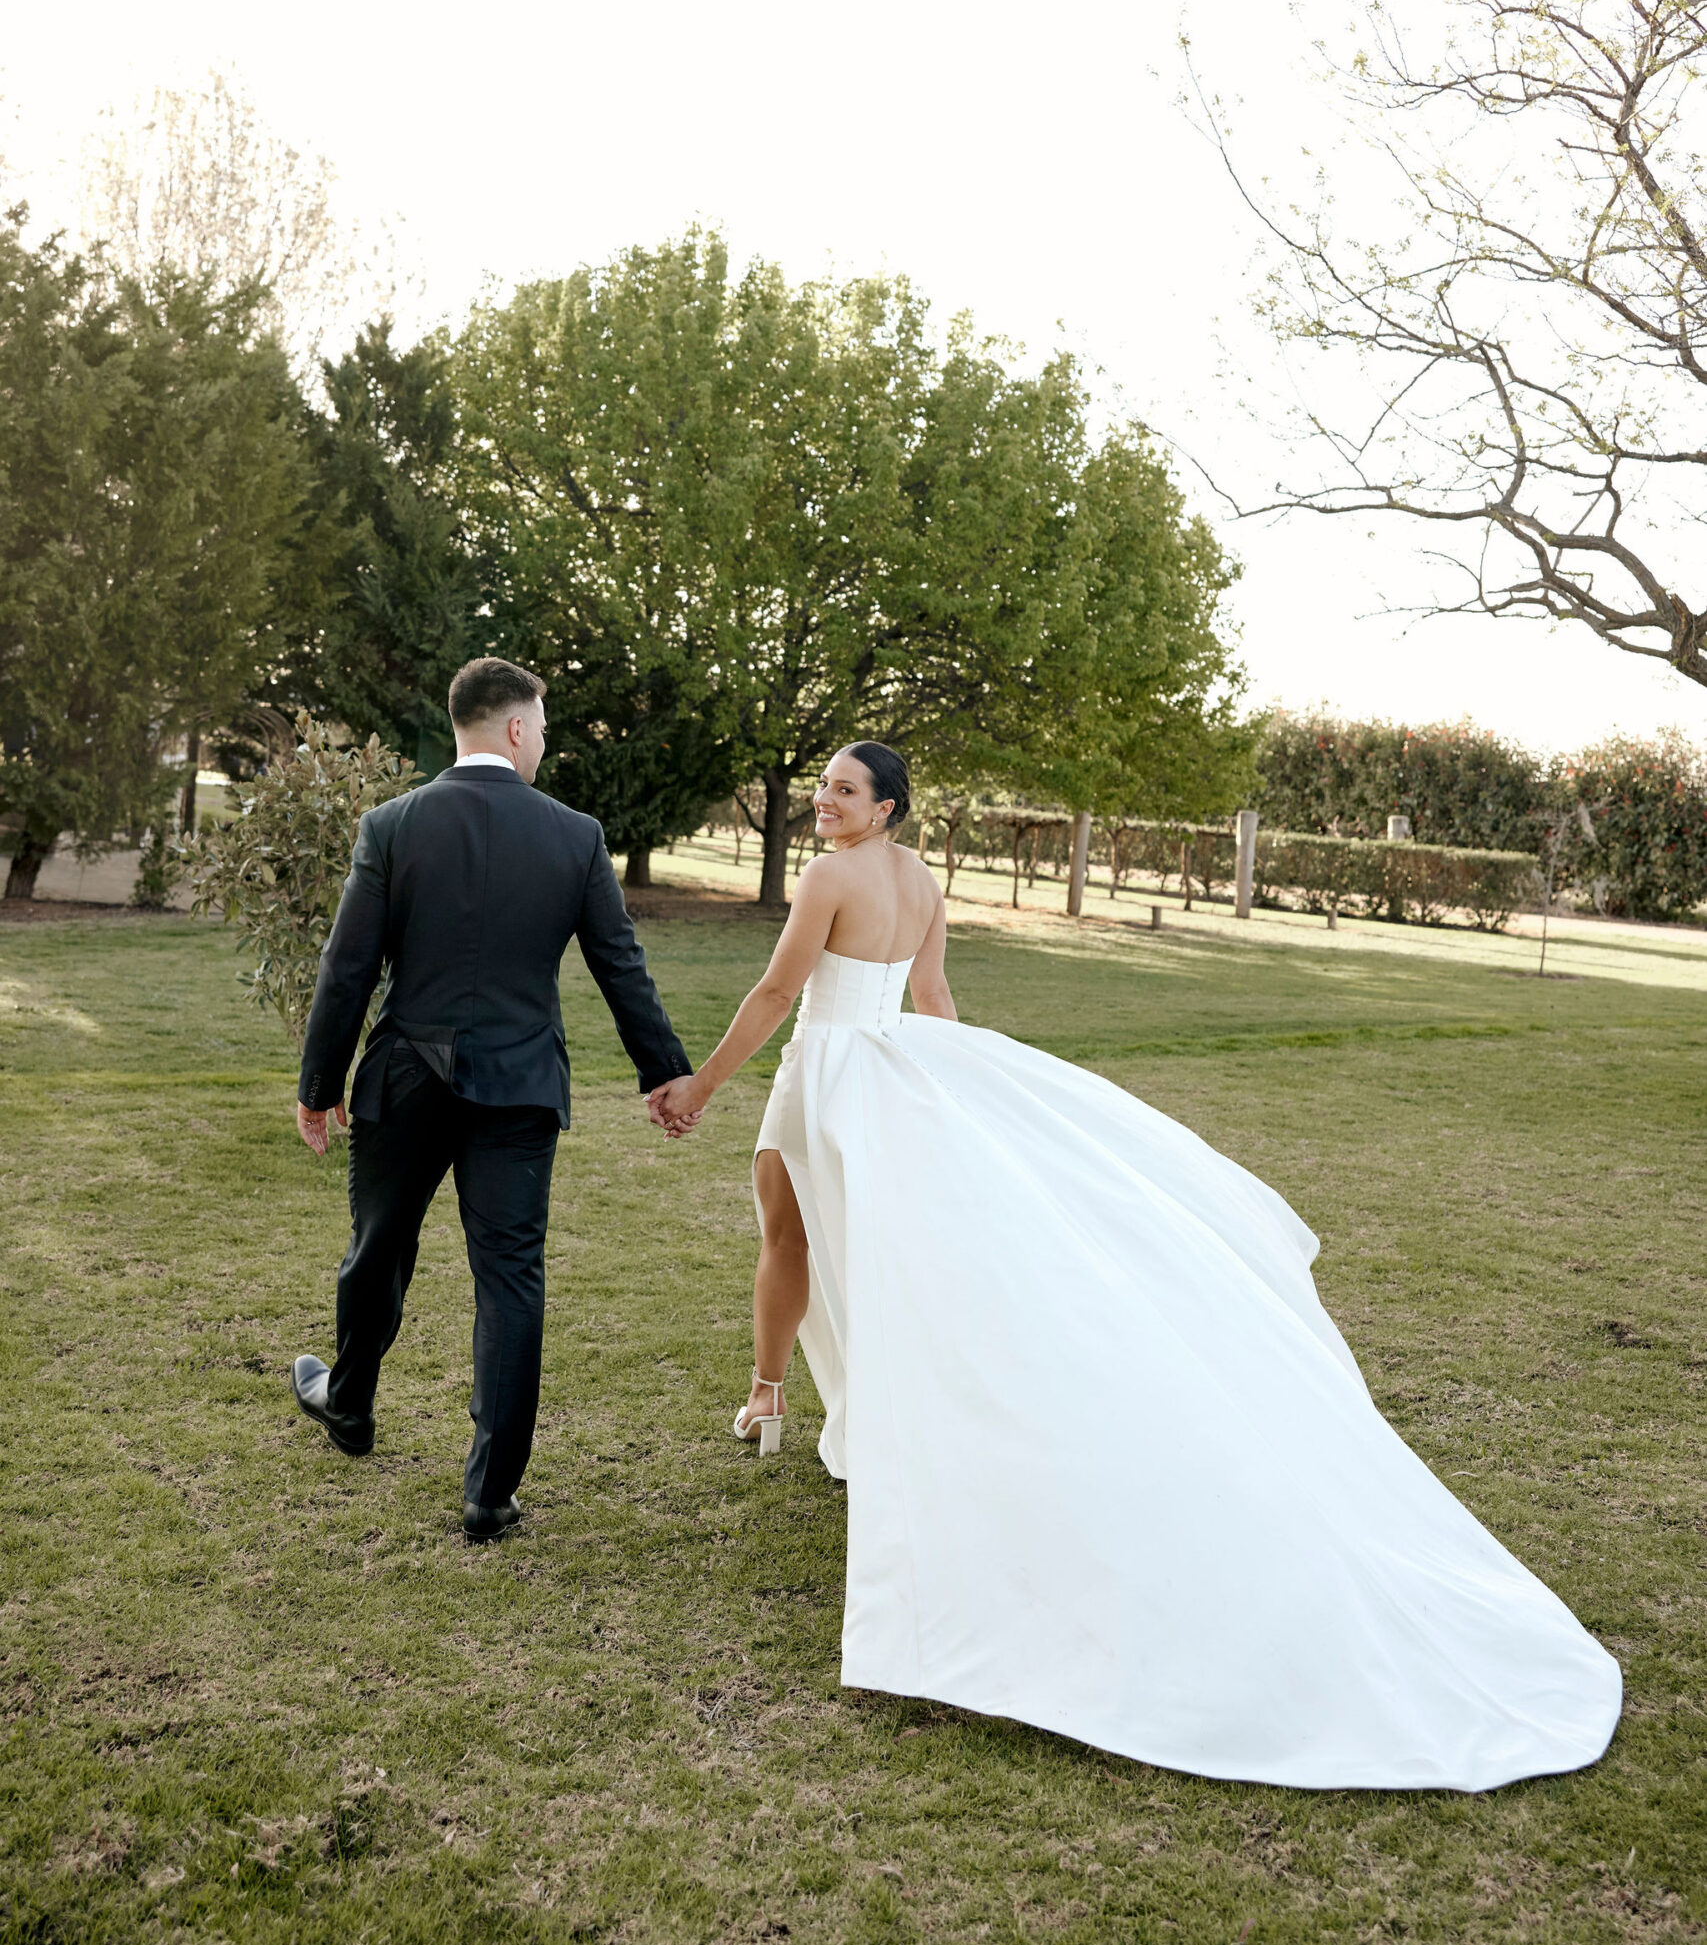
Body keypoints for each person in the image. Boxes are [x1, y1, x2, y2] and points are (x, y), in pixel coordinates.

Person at [648, 741, 1622, 1792]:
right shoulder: (923, 880)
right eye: (825, 789)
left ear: (885, 806)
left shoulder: (832, 876)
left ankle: (769, 1395)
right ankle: (824, 1409)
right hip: (891, 1074)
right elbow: (934, 1001)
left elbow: (777, 989)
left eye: (845, 790)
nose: (826, 803)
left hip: (832, 1073)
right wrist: (955, 1100)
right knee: (890, 1259)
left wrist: (699, 1087)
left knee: (788, 1236)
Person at [291, 657, 694, 1540]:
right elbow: (618, 965)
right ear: (514, 728)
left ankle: (349, 1405)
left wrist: (318, 1087)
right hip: (518, 1085)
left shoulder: (391, 825)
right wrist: (664, 1071)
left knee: (378, 1247)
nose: (544, 742)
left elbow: (347, 968)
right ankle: (488, 1495)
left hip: (405, 1076)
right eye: (542, 726)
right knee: (510, 1282)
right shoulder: (574, 835)